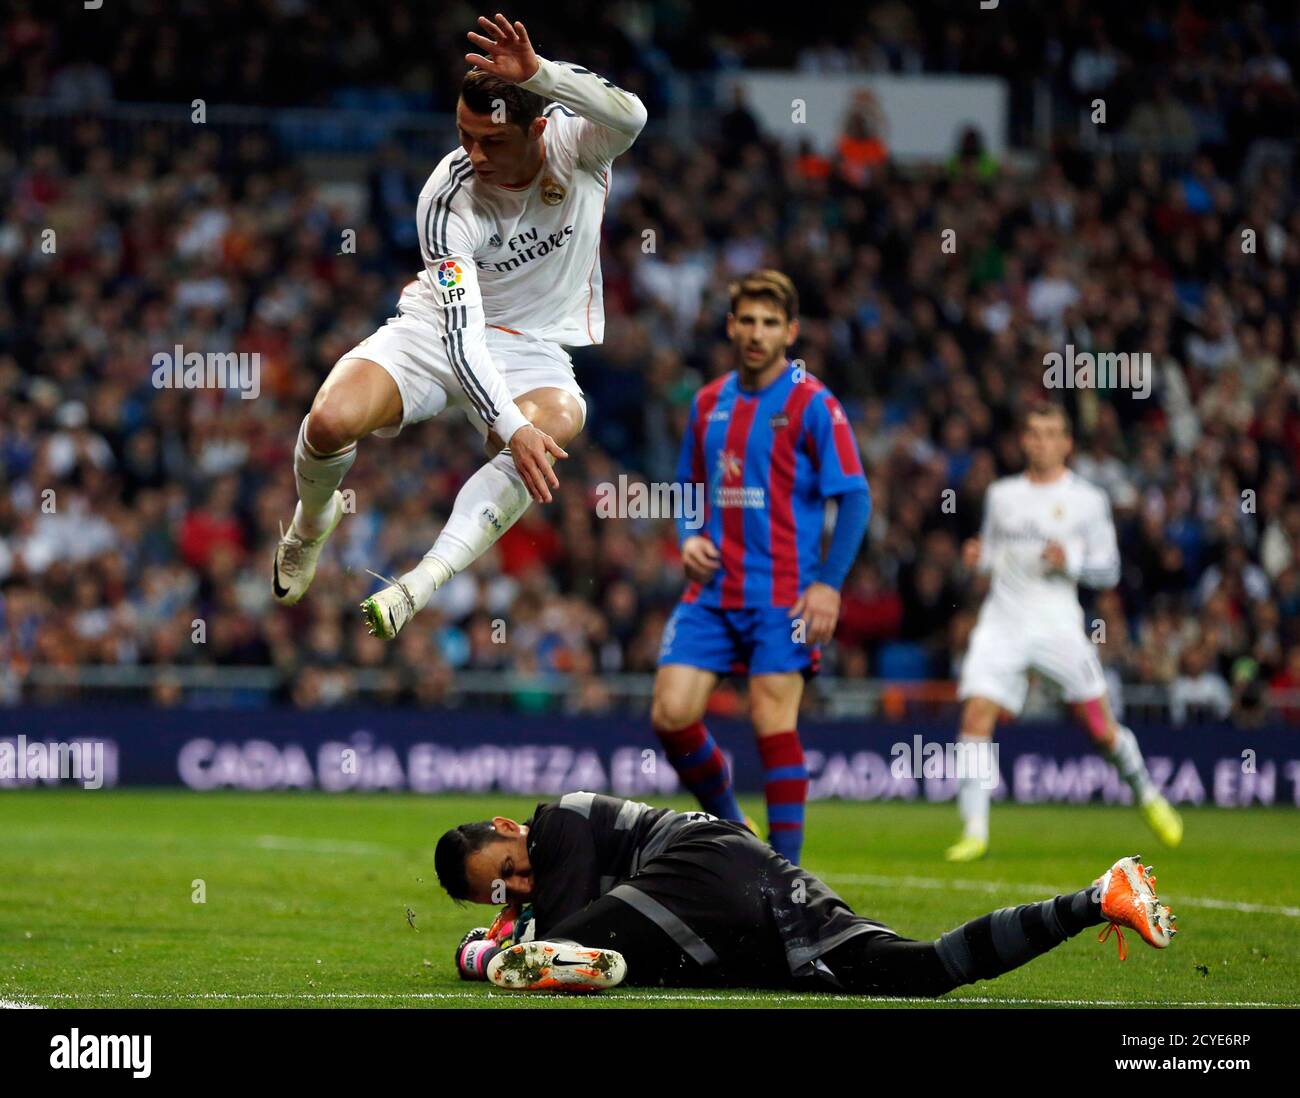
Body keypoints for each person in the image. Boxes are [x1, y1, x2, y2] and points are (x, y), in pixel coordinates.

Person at [271, 13, 647, 640]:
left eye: (490, 141)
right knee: (329, 422)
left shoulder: (581, 144)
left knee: (559, 420)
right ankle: (311, 522)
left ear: (539, 125)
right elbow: (461, 333)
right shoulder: (446, 198)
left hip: (531, 343)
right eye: (464, 136)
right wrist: (508, 425)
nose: (472, 154)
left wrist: (542, 74)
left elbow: (631, 115)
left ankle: (418, 585)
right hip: (440, 328)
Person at [435, 792, 1176, 993]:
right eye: (502, 893)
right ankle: (1094, 899)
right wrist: (521, 933)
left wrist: (487, 948)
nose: (519, 883)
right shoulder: (548, 870)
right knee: (916, 973)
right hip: (755, 888)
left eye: (508, 867)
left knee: (553, 952)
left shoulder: (558, 819)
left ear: (508, 826)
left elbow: (561, 932)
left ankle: (488, 962)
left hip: (702, 863)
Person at [650, 270, 871, 864]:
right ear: (730, 326)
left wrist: (828, 585)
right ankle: (733, 825)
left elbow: (853, 496)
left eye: (770, 323)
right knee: (670, 714)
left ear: (790, 331)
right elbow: (689, 483)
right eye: (746, 320)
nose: (756, 333)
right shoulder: (707, 402)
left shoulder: (813, 402)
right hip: (713, 591)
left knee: (773, 721)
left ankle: (788, 876)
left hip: (785, 595)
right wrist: (689, 535)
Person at [948, 402, 1183, 861]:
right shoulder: (1001, 495)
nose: (1041, 442)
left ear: (1067, 443)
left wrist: (1070, 561)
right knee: (976, 717)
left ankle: (1148, 794)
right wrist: (978, 559)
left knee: (1100, 729)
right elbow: (994, 556)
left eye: (1051, 433)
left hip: (1058, 624)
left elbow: (1110, 569)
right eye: (1033, 433)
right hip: (1002, 622)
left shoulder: (1089, 500)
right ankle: (974, 831)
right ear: (1023, 440)